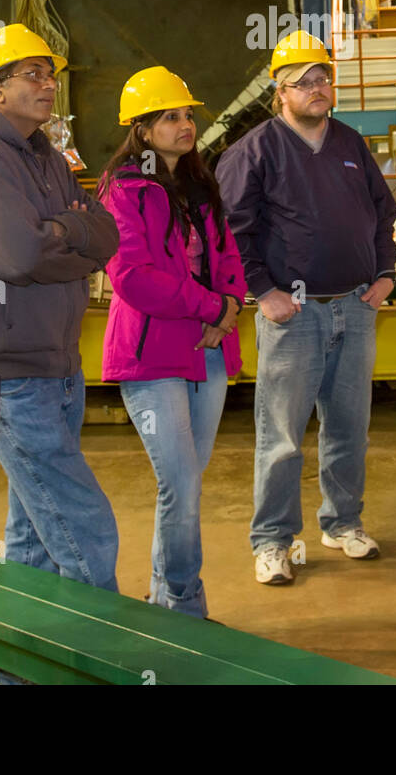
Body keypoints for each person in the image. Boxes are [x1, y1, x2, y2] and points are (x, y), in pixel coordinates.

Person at [0, 23, 120, 671]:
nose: (48, 85)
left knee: (34, 541)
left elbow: (106, 234)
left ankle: (19, 672)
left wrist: (61, 230)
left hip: (58, 362)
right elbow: (14, 254)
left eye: (51, 73)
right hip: (10, 371)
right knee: (85, 528)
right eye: (32, 75)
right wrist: (70, 239)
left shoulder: (42, 151)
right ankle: (103, 662)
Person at [216, 30, 396, 585]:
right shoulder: (254, 151)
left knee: (348, 426)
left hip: (355, 308)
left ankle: (342, 522)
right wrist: (262, 291)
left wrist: (386, 273)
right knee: (283, 435)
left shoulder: (349, 144)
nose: (318, 89)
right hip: (293, 317)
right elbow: (231, 231)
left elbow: (382, 213)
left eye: (324, 79)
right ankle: (272, 540)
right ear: (280, 91)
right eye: (305, 82)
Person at [98, 65, 247, 618]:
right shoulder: (123, 189)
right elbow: (132, 277)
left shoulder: (200, 183)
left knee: (186, 484)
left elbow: (227, 255)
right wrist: (212, 306)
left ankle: (164, 594)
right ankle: (186, 604)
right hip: (152, 355)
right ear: (141, 129)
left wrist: (229, 306)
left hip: (208, 348)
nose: (185, 125)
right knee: (180, 484)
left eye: (187, 115)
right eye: (170, 117)